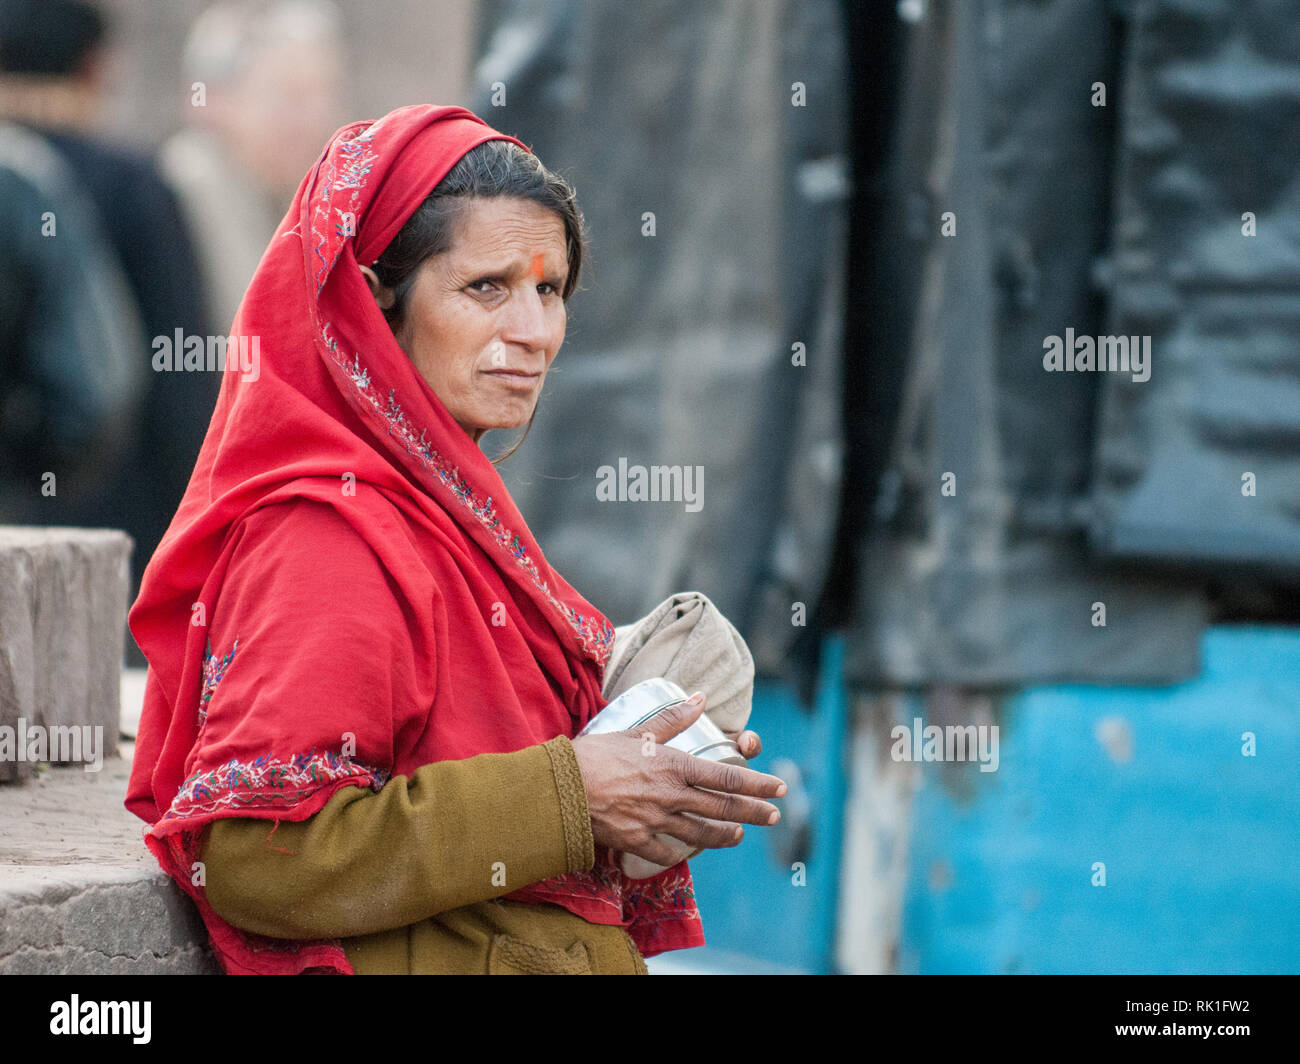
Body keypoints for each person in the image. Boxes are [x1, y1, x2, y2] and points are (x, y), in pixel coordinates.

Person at [125, 104, 786, 975]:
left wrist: (651, 774)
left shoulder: (457, 523)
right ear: (372, 303)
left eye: (549, 290)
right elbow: (255, 856)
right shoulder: (330, 535)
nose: (534, 333)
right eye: (487, 287)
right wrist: (576, 792)